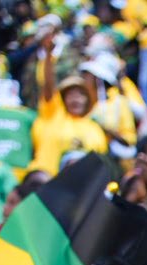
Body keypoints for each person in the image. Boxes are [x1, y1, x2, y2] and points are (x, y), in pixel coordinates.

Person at [31, 30, 110, 177]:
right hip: (48, 182)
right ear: (63, 99)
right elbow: (48, 86)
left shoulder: (94, 128)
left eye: (81, 95)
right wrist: (49, 55)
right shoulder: (54, 115)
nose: (76, 99)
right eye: (71, 95)